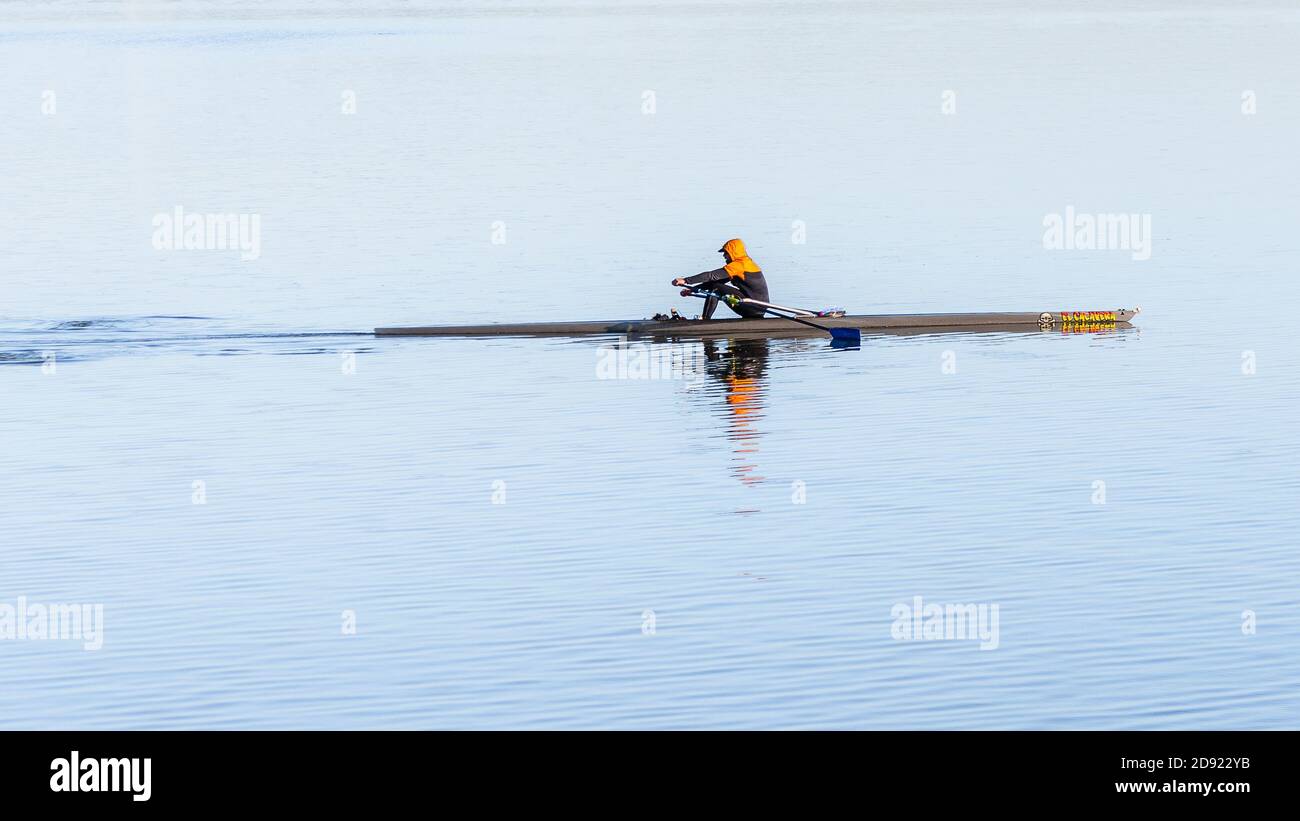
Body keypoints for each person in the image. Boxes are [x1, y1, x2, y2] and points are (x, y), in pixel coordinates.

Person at [672, 238, 770, 319]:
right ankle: (705, 319)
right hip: (755, 307)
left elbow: (711, 276)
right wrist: (692, 290)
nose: (724, 256)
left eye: (726, 253)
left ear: (733, 252)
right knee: (716, 287)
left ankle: (705, 320)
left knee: (716, 288)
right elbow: (714, 282)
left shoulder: (740, 264)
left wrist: (685, 280)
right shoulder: (742, 264)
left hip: (754, 306)